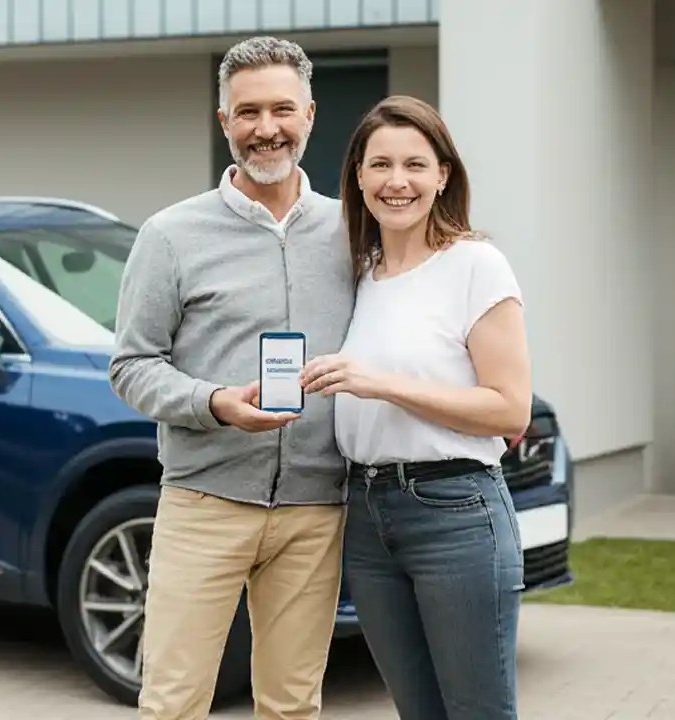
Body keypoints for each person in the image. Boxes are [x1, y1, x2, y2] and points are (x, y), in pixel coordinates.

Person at [109, 36, 355, 719]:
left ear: (309, 114)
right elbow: (130, 366)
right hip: (204, 503)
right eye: (248, 113)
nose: (266, 129)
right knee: (173, 702)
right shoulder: (170, 235)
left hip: (315, 511)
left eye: (282, 110)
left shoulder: (352, 230)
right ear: (224, 122)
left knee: (292, 706)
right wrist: (214, 402)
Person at [299, 95, 532, 720]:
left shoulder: (475, 265)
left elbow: (510, 410)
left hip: (455, 512)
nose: (395, 182)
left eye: (414, 165)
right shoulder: (361, 272)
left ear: (442, 176)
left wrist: (384, 383)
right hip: (368, 517)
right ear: (357, 176)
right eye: (379, 165)